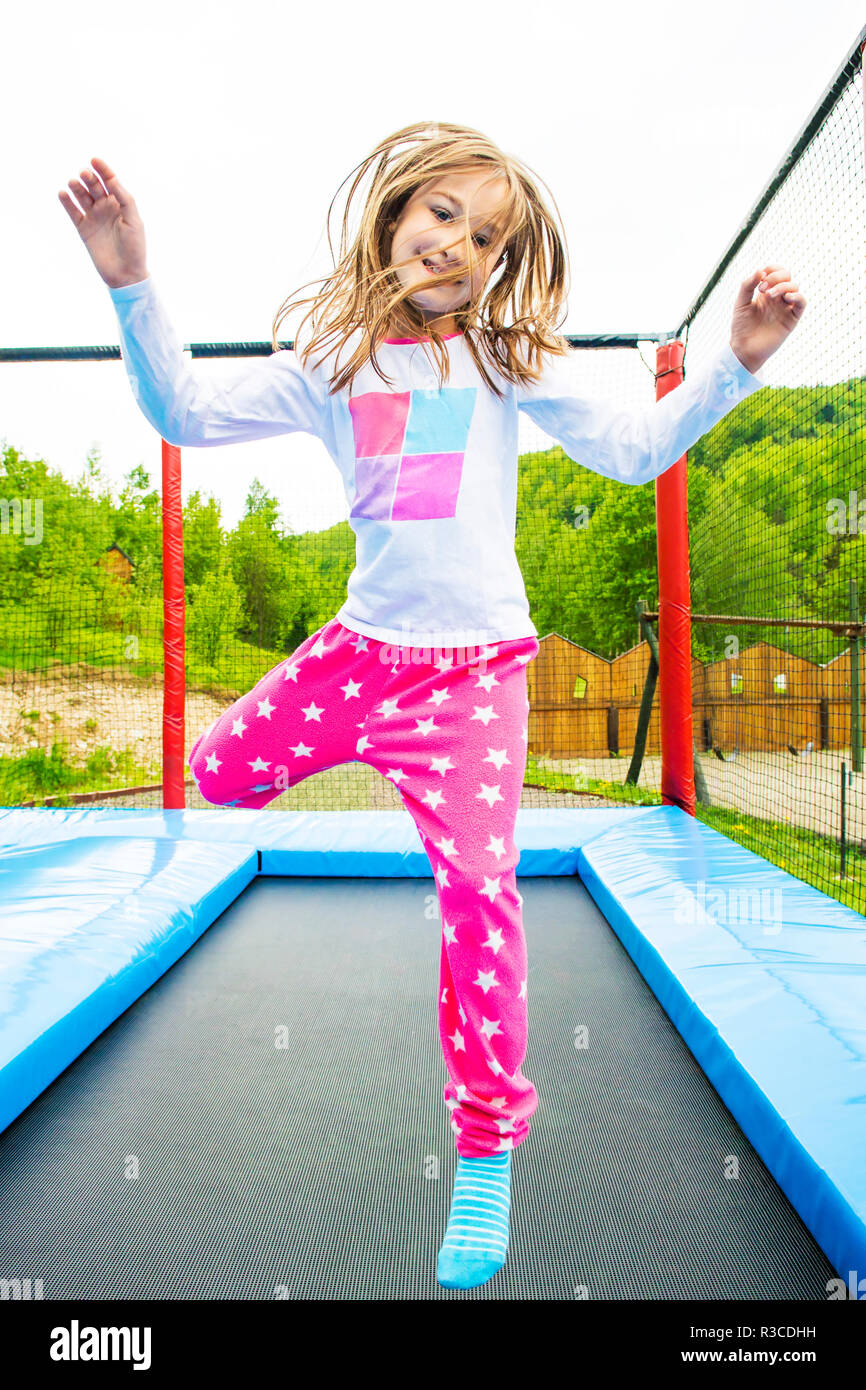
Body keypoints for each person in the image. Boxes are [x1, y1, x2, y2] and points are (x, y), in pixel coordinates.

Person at [59, 122, 805, 1292]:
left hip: (470, 678)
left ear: (501, 263)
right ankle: (336, 753)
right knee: (217, 773)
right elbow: (184, 414)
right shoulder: (329, 359)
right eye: (443, 213)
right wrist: (131, 283)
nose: (458, 244)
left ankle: (486, 1156)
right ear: (397, 211)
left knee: (478, 897)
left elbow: (633, 446)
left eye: (488, 235)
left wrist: (737, 361)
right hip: (358, 656)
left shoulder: (504, 359)